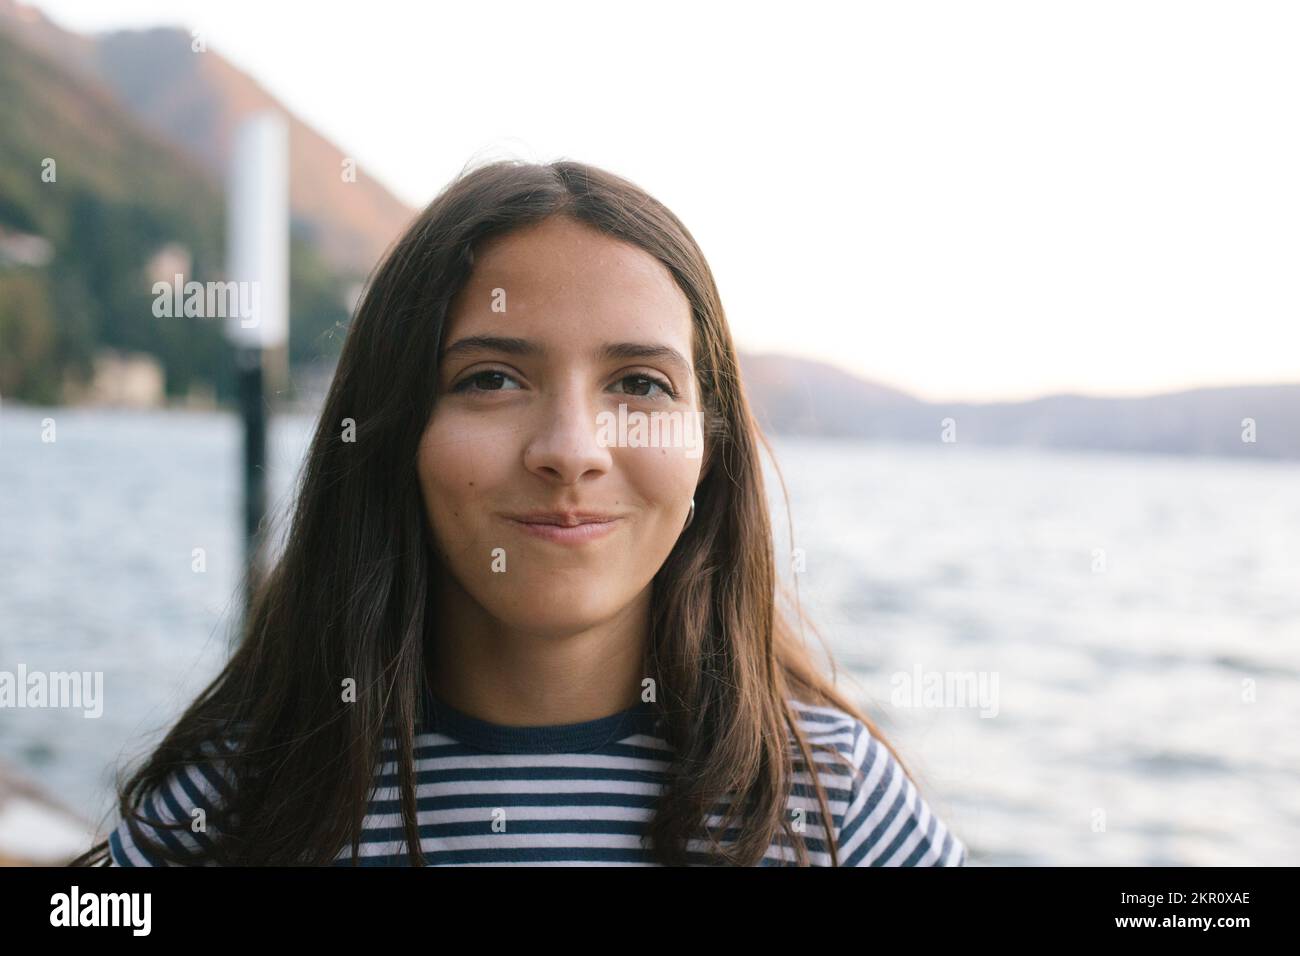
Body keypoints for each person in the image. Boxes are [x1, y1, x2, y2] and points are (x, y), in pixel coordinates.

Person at [73, 159, 967, 867]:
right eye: (491, 378)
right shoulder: (238, 808)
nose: (571, 447)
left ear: (711, 446)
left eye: (639, 383)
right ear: (395, 431)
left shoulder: (834, 807)